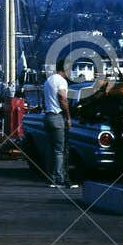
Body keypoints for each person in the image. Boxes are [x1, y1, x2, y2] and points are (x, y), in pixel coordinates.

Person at [44, 59, 74, 189]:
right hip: (57, 117)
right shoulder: (61, 81)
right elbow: (63, 98)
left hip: (48, 116)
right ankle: (59, 179)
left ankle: (51, 177)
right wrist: (68, 117)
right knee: (60, 150)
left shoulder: (48, 80)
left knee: (51, 149)